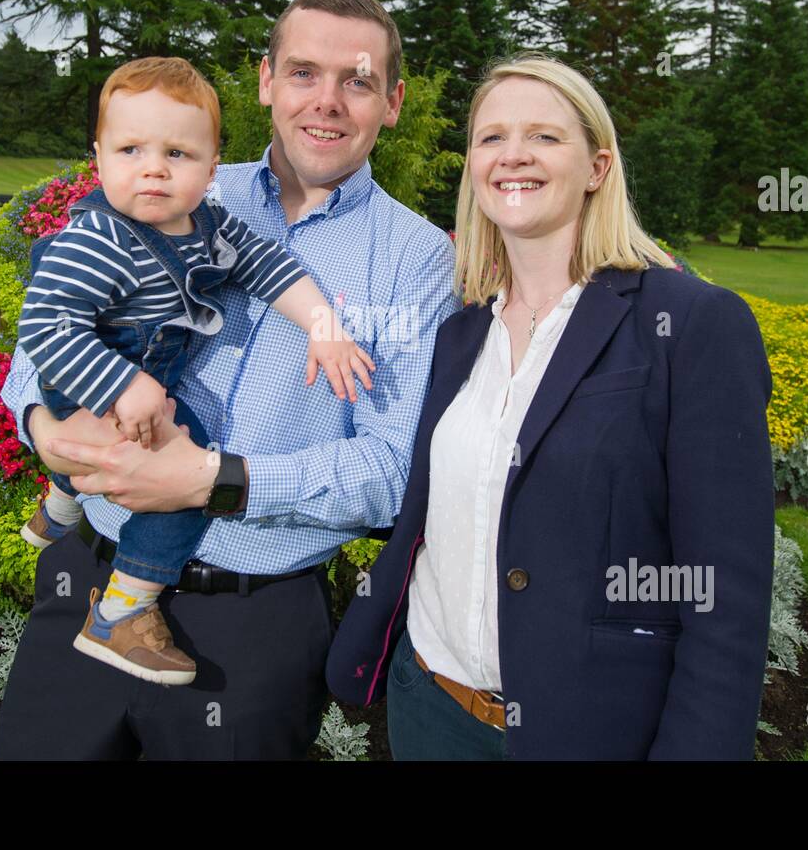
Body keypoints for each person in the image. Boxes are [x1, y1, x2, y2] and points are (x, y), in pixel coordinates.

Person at [0, 0, 461, 759]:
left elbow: (390, 472)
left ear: (394, 101)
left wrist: (213, 479)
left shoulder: (417, 261)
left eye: (359, 80)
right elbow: (45, 337)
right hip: (84, 586)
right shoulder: (178, 178)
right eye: (305, 72)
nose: (329, 101)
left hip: (252, 629)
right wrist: (42, 427)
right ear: (267, 80)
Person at [326, 53, 776, 760]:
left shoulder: (689, 324)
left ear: (597, 166)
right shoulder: (458, 334)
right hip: (431, 710)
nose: (514, 156)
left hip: (590, 728)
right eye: (491, 137)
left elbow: (725, 595)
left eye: (543, 136)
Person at [16, 56, 375, 686]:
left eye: (177, 154)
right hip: (89, 374)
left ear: (211, 170)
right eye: (130, 149)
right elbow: (46, 328)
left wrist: (323, 326)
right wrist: (120, 385)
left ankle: (59, 505)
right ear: (98, 157)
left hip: (150, 387)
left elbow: (266, 267)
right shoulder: (96, 239)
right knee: (188, 463)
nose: (153, 167)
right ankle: (123, 611)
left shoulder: (207, 224)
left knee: (161, 456)